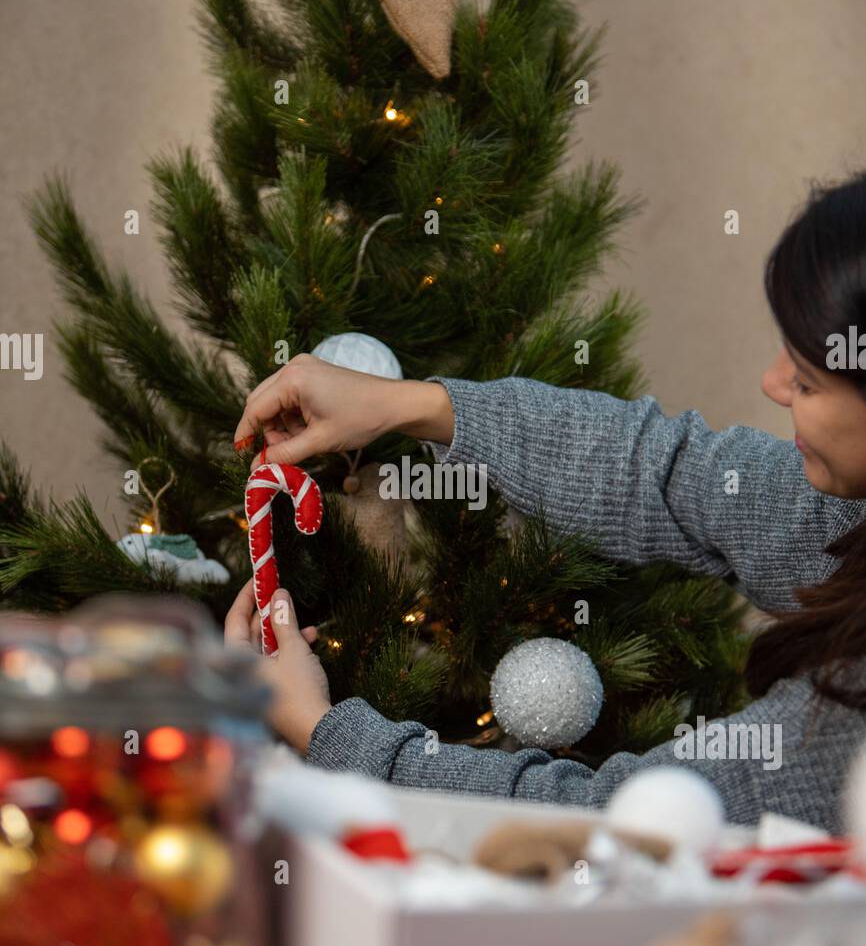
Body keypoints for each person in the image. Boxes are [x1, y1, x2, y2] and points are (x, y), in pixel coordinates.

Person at [225, 175, 866, 833]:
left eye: (809, 379)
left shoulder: (844, 740)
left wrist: (319, 729)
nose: (773, 382)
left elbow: (606, 824)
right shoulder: (849, 516)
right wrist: (415, 406)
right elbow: (663, 470)